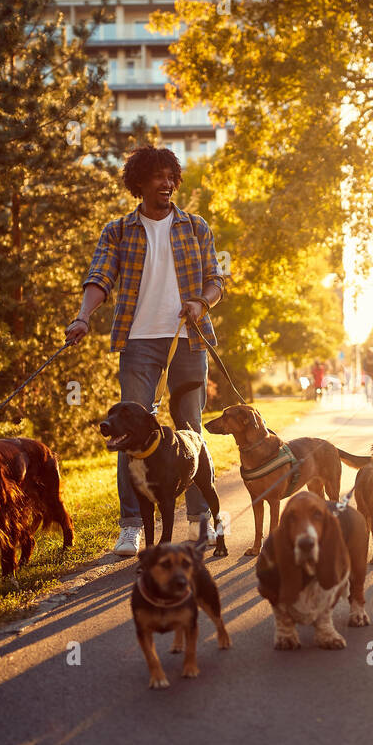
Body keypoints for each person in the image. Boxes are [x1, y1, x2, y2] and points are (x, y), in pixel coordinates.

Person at [65, 146, 227, 557]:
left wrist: (201, 303)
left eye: (171, 176)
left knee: (190, 427)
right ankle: (132, 526)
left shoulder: (195, 227)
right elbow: (100, 276)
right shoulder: (118, 230)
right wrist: (84, 316)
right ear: (139, 184)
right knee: (127, 433)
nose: (167, 183)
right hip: (137, 342)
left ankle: (201, 521)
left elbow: (215, 280)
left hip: (187, 339)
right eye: (157, 176)